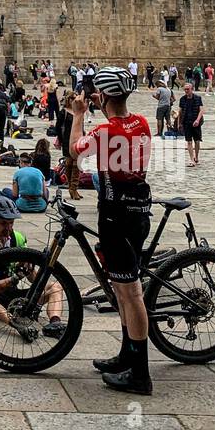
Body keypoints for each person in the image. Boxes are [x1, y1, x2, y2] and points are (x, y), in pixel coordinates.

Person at [69, 65, 153, 395]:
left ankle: (140, 375)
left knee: (131, 294)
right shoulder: (142, 123)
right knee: (121, 289)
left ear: (102, 96)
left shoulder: (105, 131)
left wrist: (78, 114)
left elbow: (76, 152)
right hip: (138, 210)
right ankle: (127, 355)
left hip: (117, 217)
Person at [0, 195, 65, 338]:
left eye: (11, 223)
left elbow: (33, 279)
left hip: (17, 300)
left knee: (55, 287)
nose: (8, 228)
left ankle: (55, 324)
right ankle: (15, 324)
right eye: (3, 223)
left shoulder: (18, 238)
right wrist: (14, 278)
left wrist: (31, 271)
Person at [177, 81, 204, 166]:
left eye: (188, 89)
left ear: (192, 89)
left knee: (197, 141)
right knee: (189, 141)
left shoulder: (197, 98)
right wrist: (179, 123)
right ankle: (191, 159)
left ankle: (196, 157)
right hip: (186, 122)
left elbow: (201, 110)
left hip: (196, 122)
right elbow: (180, 112)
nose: (186, 91)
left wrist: (197, 120)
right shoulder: (182, 99)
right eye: (185, 89)